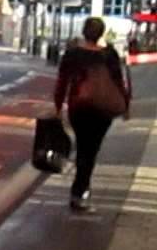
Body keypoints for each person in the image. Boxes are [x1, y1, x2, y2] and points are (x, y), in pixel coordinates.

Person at [54, 17, 132, 211]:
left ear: (83, 31)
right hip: (102, 109)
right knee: (91, 151)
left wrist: (57, 107)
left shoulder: (72, 54)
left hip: (78, 107)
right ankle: (80, 193)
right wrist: (125, 106)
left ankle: (79, 190)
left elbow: (62, 81)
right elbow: (119, 82)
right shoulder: (110, 54)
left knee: (82, 147)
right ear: (101, 33)